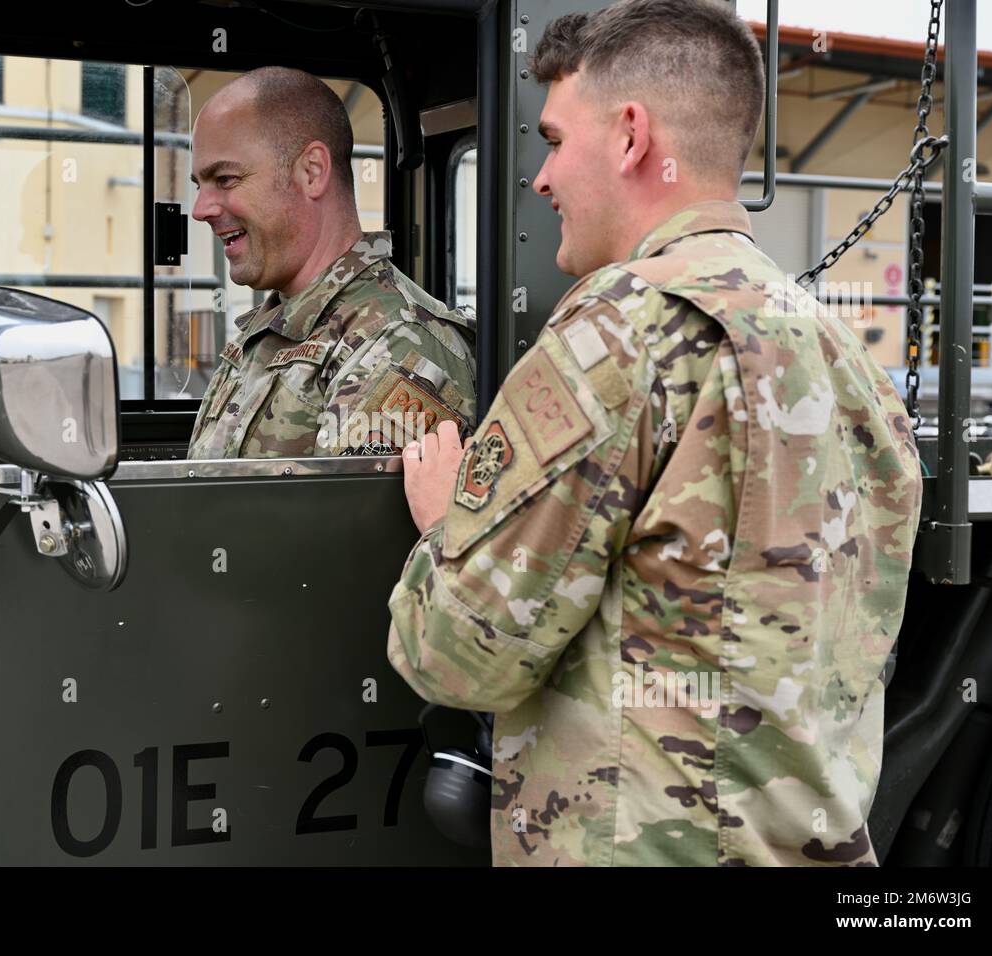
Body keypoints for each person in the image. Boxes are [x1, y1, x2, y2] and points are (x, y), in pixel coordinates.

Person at [386, 0, 922, 866]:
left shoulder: (616, 332)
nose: (540, 178)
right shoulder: (849, 356)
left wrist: (450, 528)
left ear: (631, 135)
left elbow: (461, 658)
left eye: (555, 140)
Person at [186, 67, 476, 459]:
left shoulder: (393, 340)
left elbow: (349, 520)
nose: (200, 210)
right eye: (198, 186)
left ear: (312, 172)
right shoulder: (269, 330)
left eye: (225, 179)